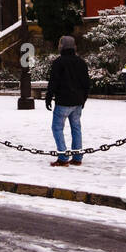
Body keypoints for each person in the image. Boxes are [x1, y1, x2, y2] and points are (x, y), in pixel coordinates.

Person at [45, 35, 91, 167]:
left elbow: (53, 82)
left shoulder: (59, 62)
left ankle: (63, 157)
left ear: (62, 47)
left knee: (57, 128)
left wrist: (48, 97)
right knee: (76, 128)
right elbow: (86, 83)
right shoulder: (81, 62)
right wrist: (83, 99)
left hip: (63, 101)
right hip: (77, 102)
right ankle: (77, 157)